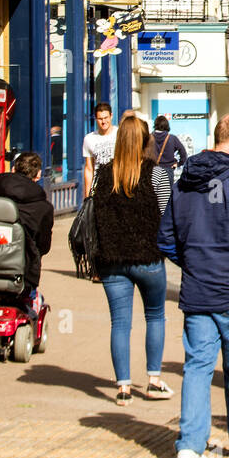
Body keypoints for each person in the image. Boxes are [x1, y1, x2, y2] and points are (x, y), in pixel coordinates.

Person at [158, 114, 229, 458]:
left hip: (197, 291)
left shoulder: (184, 182)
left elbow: (165, 238)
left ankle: (189, 446)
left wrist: (193, 262)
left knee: (197, 368)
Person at [90, 117, 172, 404]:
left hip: (112, 258)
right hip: (148, 258)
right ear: (147, 141)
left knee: (120, 323)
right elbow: (165, 217)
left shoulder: (103, 174)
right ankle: (154, 381)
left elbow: (95, 214)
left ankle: (123, 388)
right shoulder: (157, 175)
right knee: (155, 316)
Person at [0, 150, 54, 317]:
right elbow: (44, 246)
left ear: (13, 169)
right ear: (39, 175)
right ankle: (30, 306)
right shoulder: (43, 208)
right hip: (20, 273)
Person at [82, 102, 115, 197]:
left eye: (106, 118)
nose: (103, 122)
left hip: (116, 186)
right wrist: (87, 195)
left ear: (111, 116)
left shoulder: (119, 134)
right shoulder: (89, 138)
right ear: (95, 119)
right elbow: (89, 168)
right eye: (100, 119)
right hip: (98, 188)